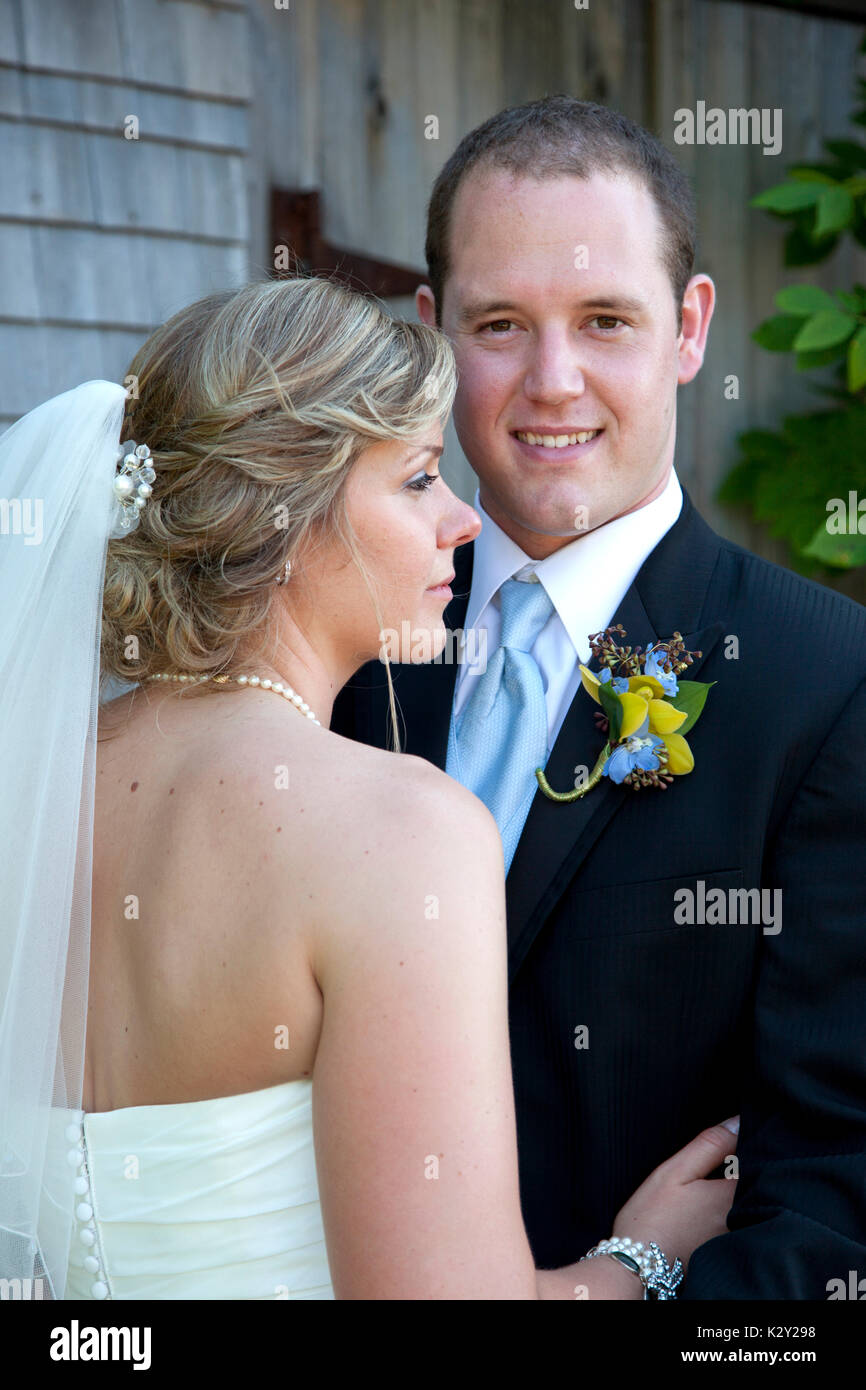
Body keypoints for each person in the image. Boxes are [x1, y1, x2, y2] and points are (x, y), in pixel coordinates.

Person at [0, 275, 738, 1301]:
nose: (459, 521)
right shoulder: (399, 829)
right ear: (281, 517)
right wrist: (636, 1261)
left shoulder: (29, 791)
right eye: (417, 479)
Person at [331, 97, 866, 1298]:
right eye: (501, 324)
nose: (552, 382)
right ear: (430, 334)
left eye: (605, 321)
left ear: (688, 328)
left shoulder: (825, 688)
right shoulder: (337, 634)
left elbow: (836, 1209)